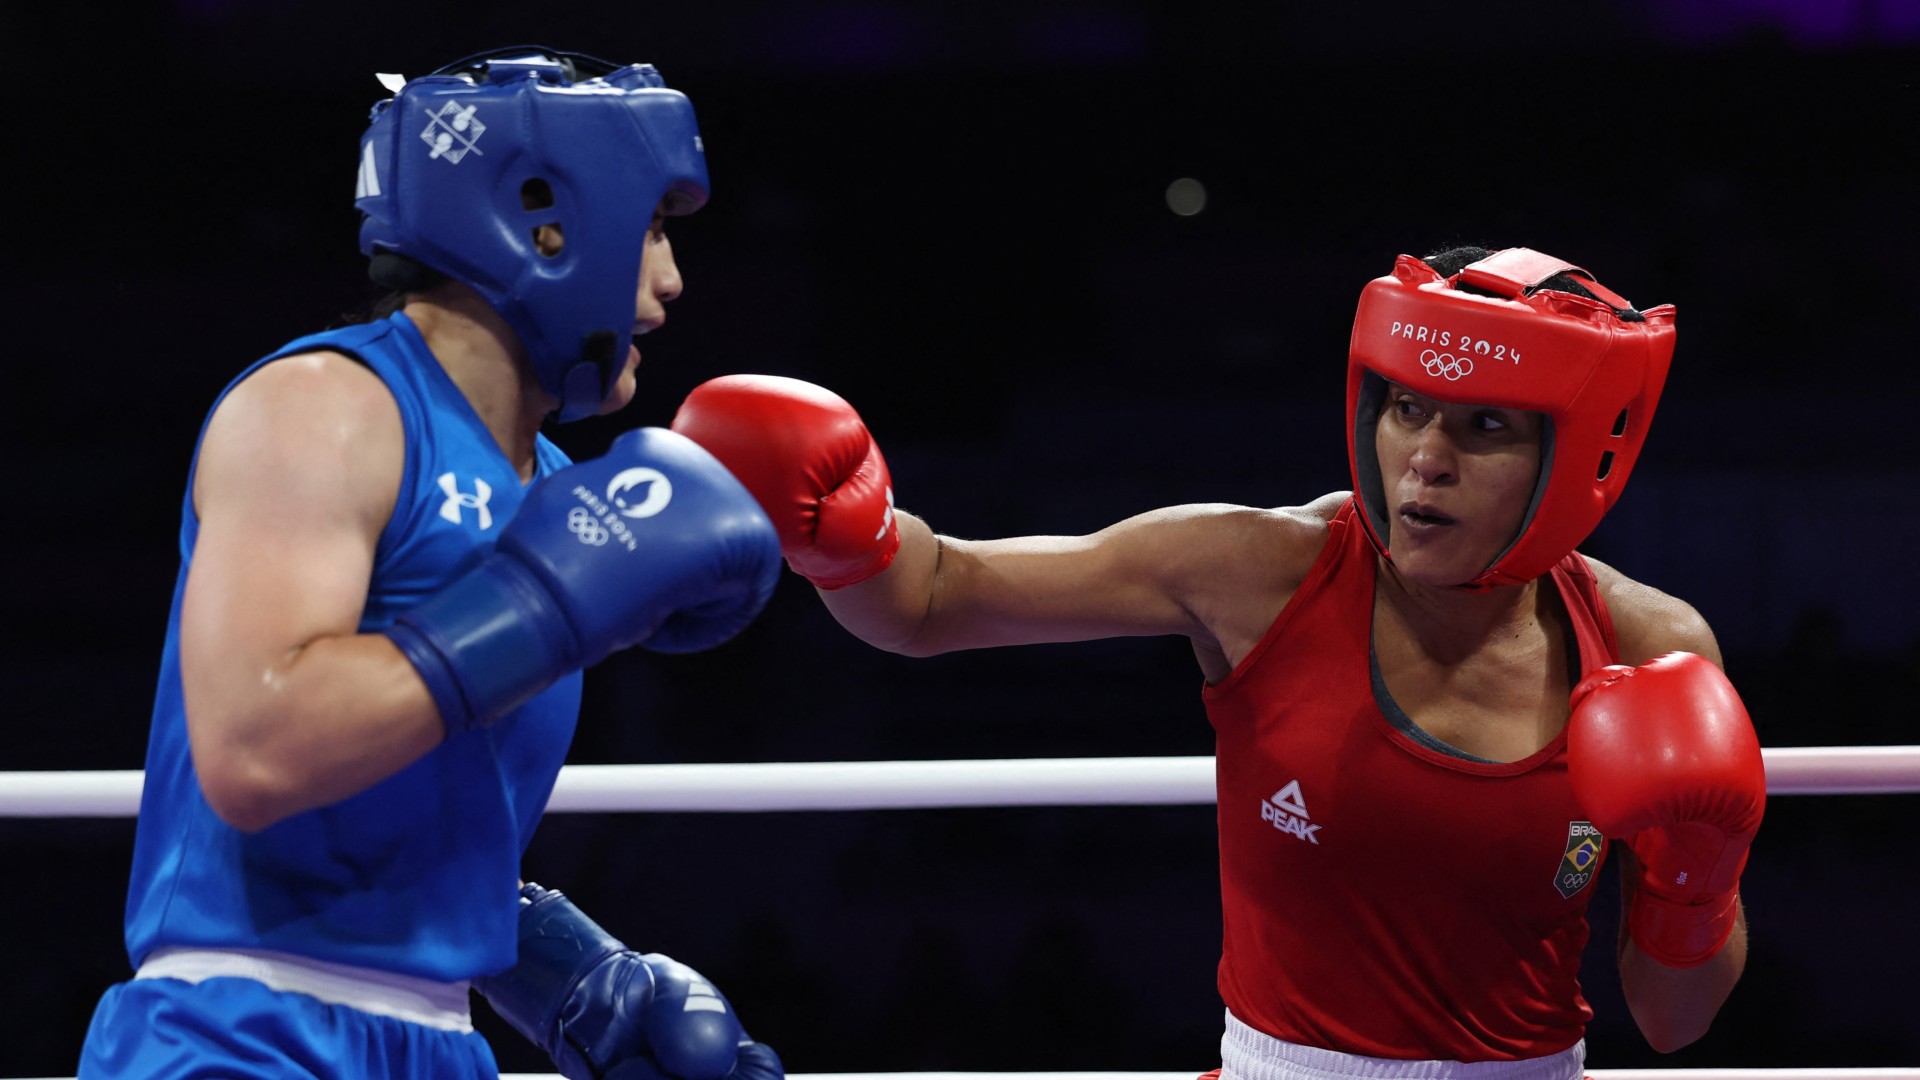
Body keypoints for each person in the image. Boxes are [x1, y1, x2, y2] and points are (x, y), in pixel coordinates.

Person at [669, 246, 1767, 1077]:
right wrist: (843, 536)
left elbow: (1676, 1019)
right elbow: (935, 599)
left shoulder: (1647, 647)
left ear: (1576, 455)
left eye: (1485, 427)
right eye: (1406, 407)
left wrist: (1697, 879)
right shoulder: (1261, 570)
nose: (1424, 458)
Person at [79, 46, 787, 1080]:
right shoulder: (325, 408)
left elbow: (408, 807)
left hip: (441, 1042)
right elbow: (256, 749)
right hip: (243, 1033)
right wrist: (542, 608)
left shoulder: (555, 490)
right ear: (544, 220)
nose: (672, 279)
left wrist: (565, 975)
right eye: (652, 229)